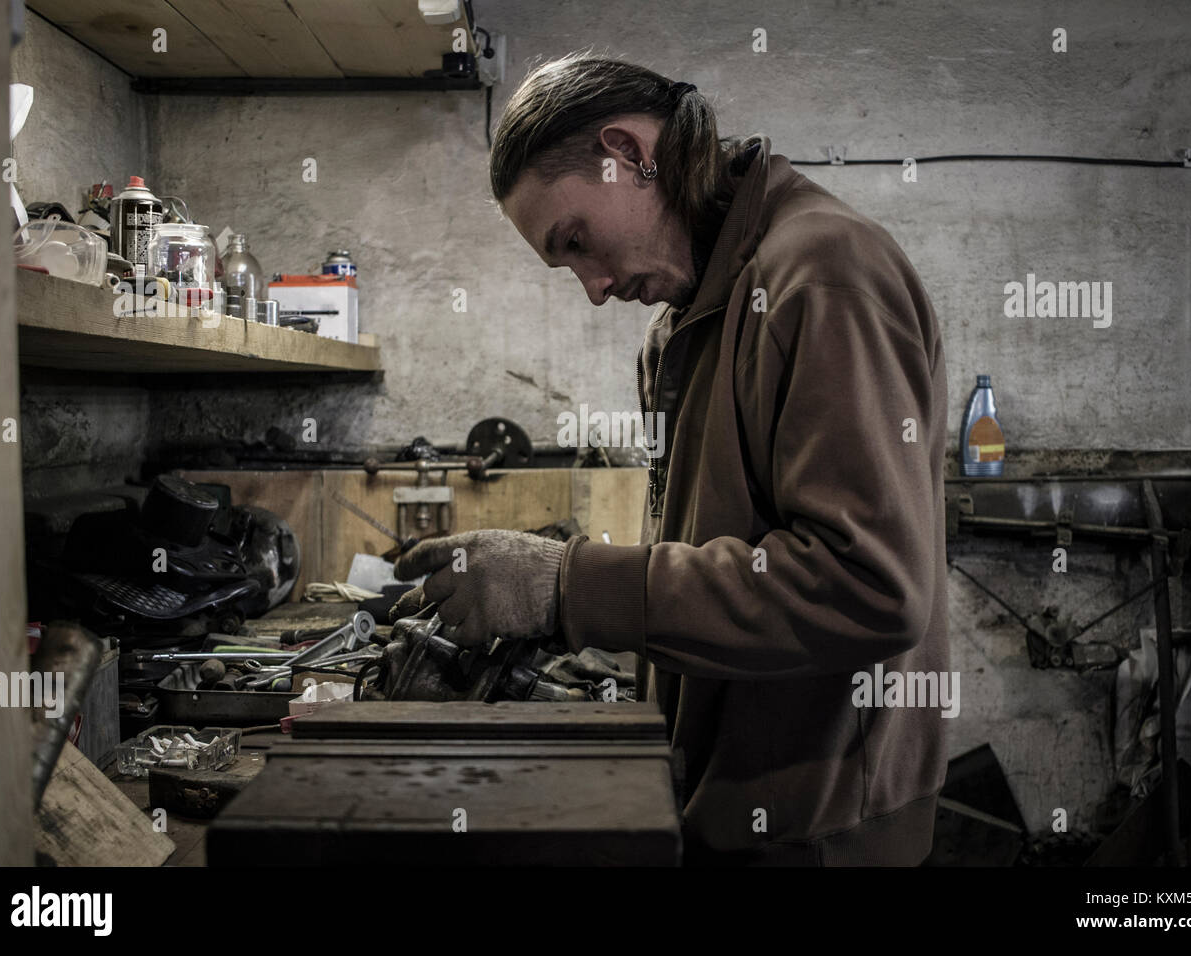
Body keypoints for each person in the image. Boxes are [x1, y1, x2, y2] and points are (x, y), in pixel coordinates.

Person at [393, 54, 950, 866]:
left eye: (577, 241)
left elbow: (870, 586)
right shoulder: (686, 327)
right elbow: (716, 558)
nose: (591, 288)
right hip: (728, 796)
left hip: (817, 824)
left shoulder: (822, 273)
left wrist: (566, 586)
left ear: (628, 152)